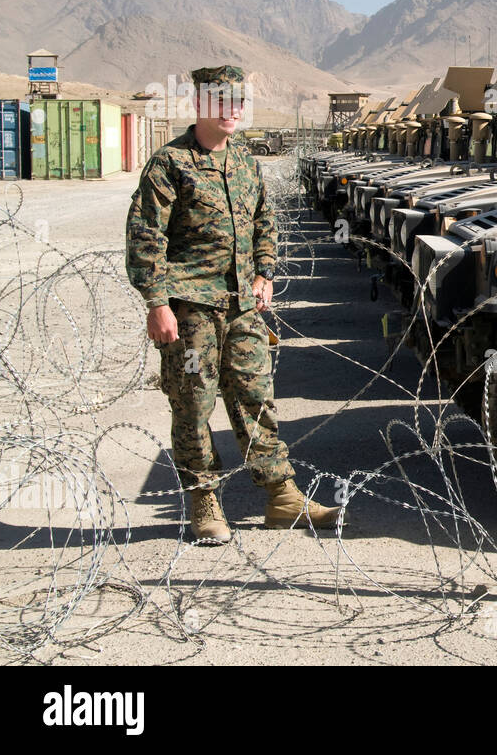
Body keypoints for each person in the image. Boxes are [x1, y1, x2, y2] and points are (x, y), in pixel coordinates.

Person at [126, 64, 341, 544]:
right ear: (200, 105)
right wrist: (156, 302)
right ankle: (204, 501)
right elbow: (145, 238)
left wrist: (266, 271)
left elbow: (266, 219)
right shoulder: (170, 164)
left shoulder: (244, 162)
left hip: (243, 306)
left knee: (255, 399)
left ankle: (281, 496)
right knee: (193, 405)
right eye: (222, 102)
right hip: (190, 309)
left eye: (239, 103)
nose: (233, 112)